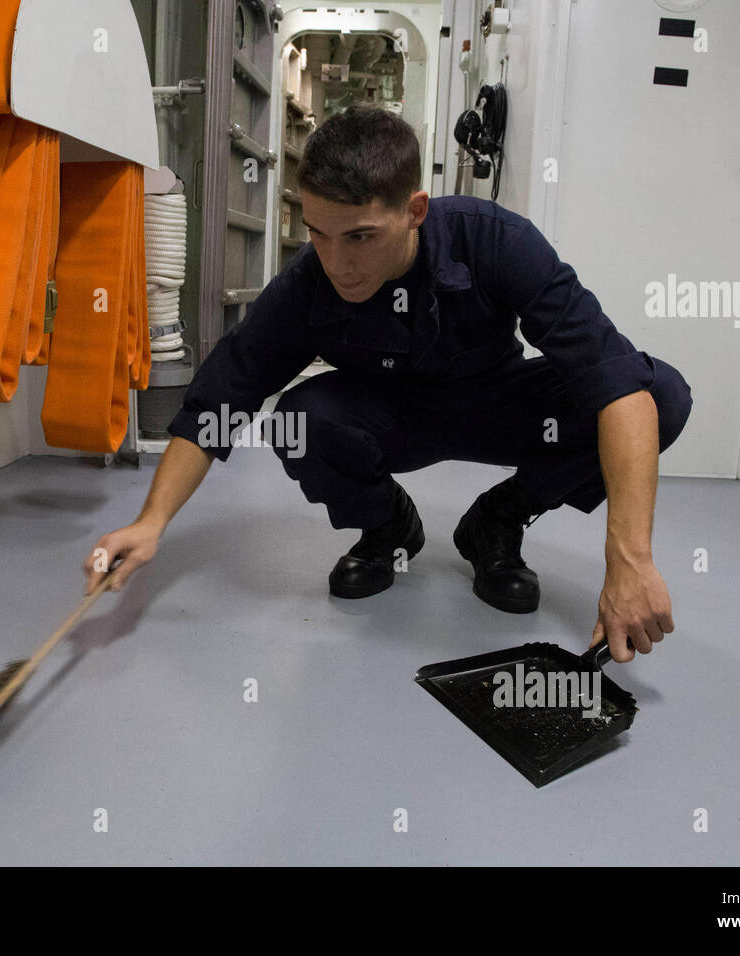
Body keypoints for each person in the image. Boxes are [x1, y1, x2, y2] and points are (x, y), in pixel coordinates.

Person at [83, 107, 693, 663]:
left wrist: (629, 560)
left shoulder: (497, 242)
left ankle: (499, 521)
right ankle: (388, 526)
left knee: (661, 395)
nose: (336, 262)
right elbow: (218, 404)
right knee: (300, 420)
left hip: (502, 403)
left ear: (415, 212)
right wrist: (151, 521)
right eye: (318, 233)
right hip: (393, 418)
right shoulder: (308, 285)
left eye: (360, 237)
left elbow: (616, 384)